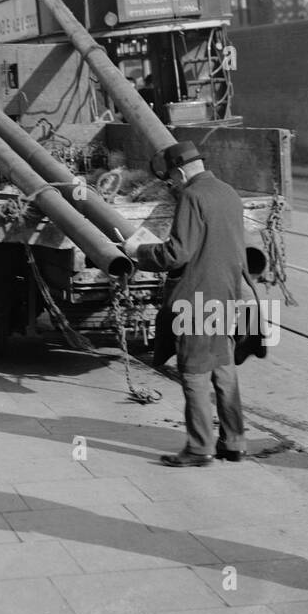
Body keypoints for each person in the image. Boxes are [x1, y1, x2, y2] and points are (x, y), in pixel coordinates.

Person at [121, 140, 249, 467]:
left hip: (196, 301)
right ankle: (234, 442)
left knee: (193, 372)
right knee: (223, 368)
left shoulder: (192, 196)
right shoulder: (229, 192)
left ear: (179, 171)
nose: (173, 185)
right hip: (227, 295)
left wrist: (139, 251)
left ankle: (199, 448)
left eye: (172, 180)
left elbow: (177, 253)